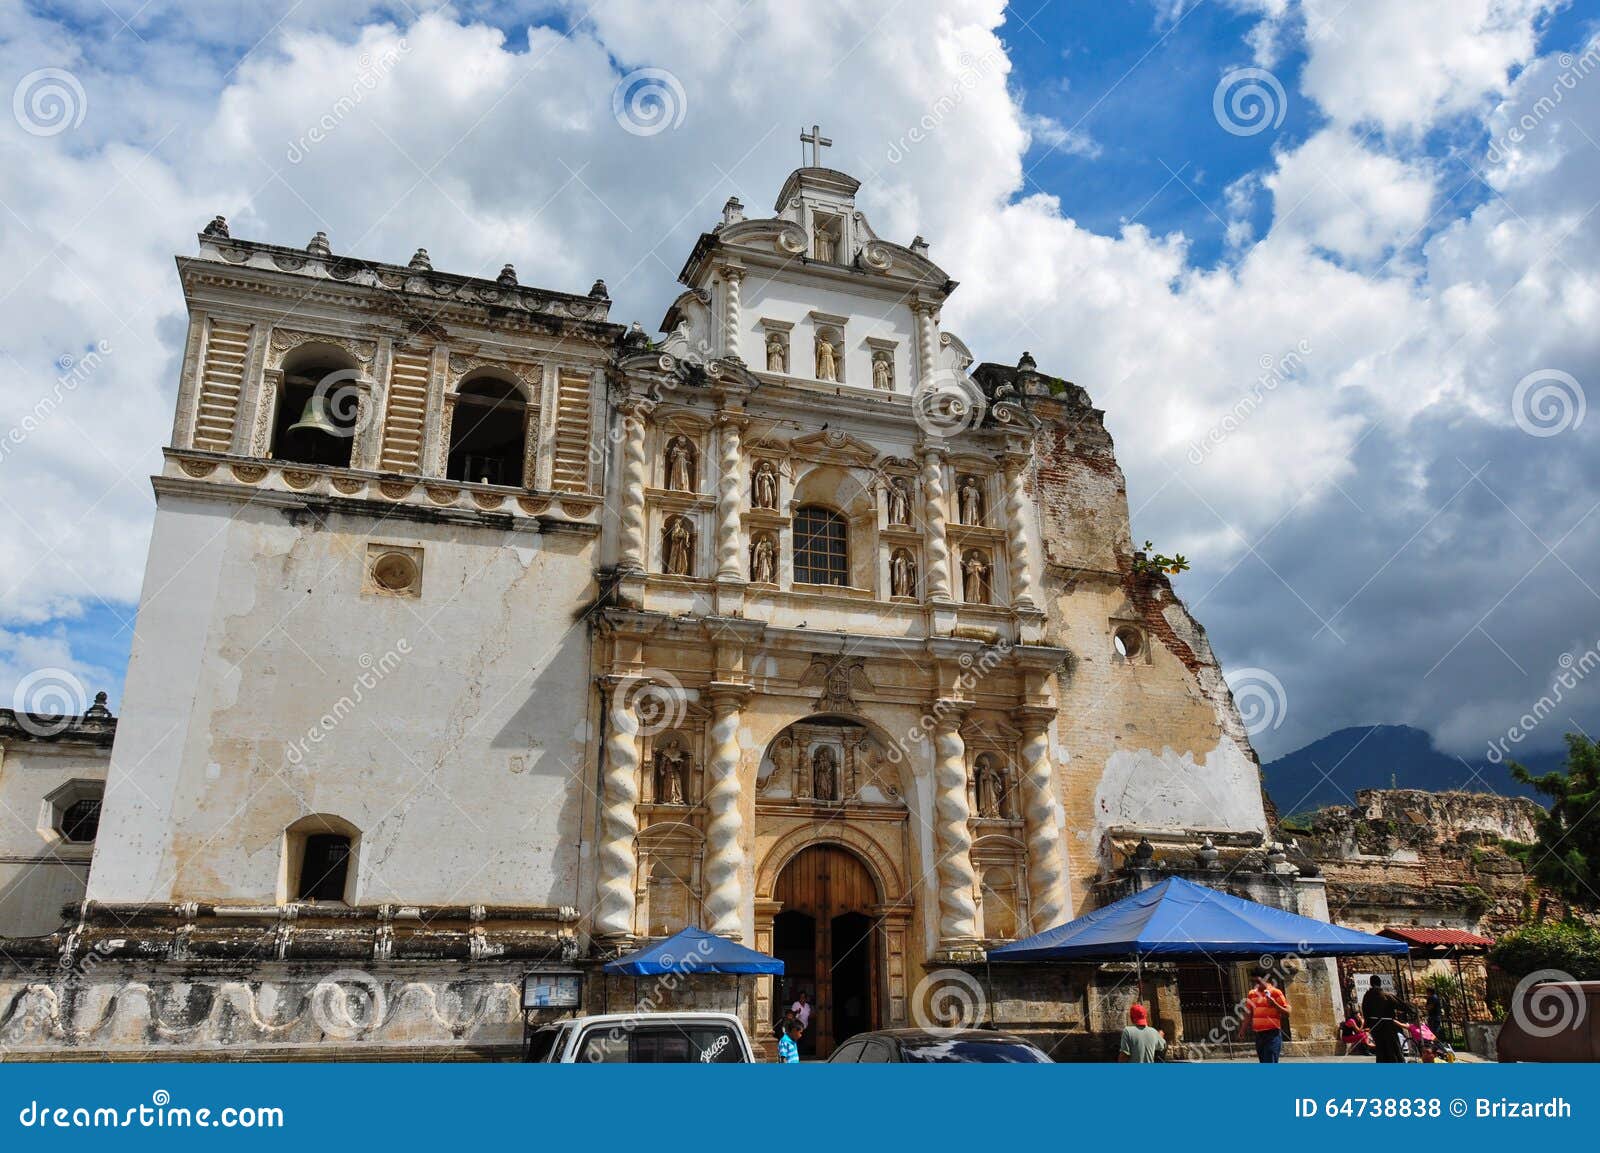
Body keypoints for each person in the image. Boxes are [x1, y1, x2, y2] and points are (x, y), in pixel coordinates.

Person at [1361, 975, 1411, 1064]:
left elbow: (1365, 1011)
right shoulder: (1386, 996)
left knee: (1381, 1048)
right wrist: (1412, 1006)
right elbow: (1402, 1006)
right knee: (1392, 1047)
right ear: (1380, 984)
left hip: (1375, 1026)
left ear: (1371, 983)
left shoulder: (1366, 997)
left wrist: (1368, 1024)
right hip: (1387, 1026)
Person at [1245, 969, 1291, 1063]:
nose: (1255, 985)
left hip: (1272, 1034)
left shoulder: (1276, 992)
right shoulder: (1251, 994)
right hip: (1258, 1035)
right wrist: (1242, 1029)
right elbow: (1249, 1013)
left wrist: (1275, 1004)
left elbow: (1287, 1012)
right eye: (1253, 982)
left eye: (1257, 981)